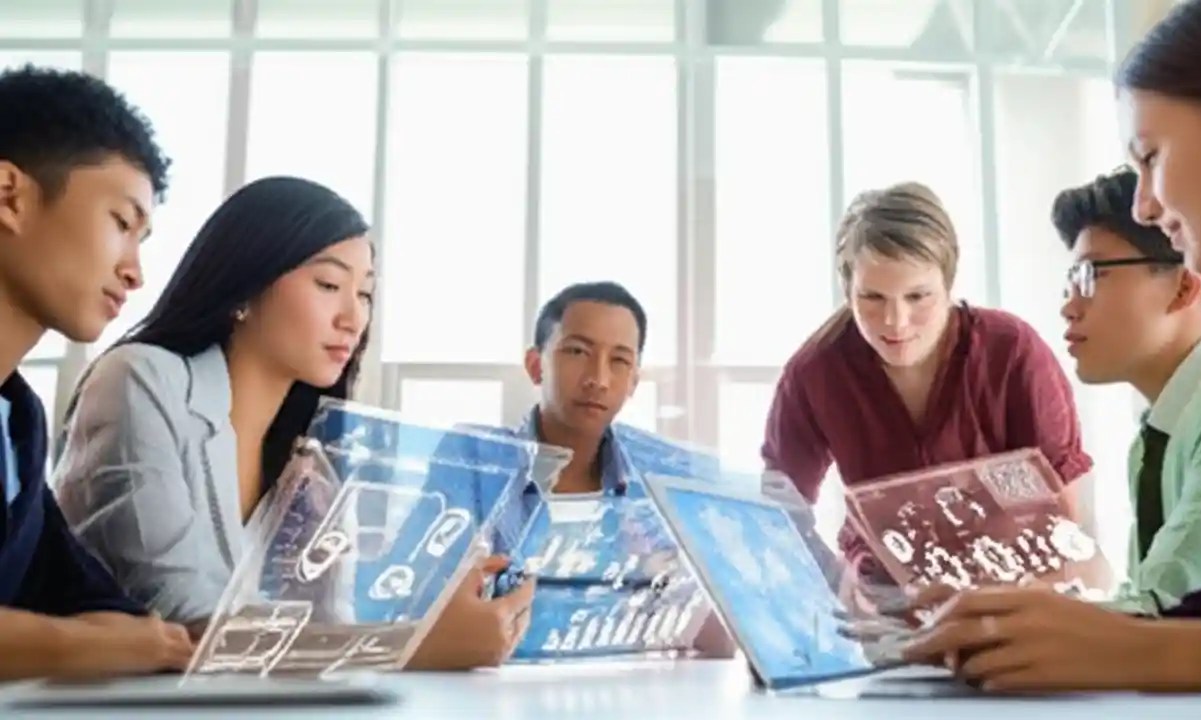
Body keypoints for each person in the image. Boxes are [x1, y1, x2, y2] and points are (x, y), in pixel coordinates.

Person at [902, 0, 1201, 695]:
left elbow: (1186, 616)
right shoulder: (1175, 425)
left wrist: (1156, 650)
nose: (1144, 204)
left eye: (1151, 156)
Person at [53, 176, 535, 671]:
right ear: (246, 284)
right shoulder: (142, 379)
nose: (353, 317)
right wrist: (411, 645)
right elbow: (182, 617)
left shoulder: (310, 460)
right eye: (328, 285)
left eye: (365, 294)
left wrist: (430, 608)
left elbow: (326, 626)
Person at [762, 181, 1093, 580]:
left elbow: (1065, 517)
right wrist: (835, 588)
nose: (896, 322)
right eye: (872, 297)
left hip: (1011, 593)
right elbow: (778, 513)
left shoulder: (1011, 353)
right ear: (847, 288)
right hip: (879, 597)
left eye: (918, 297)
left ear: (948, 285)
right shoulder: (815, 372)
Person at [0, 64, 193, 680]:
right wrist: (67, 647)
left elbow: (115, 617)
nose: (135, 271)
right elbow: (88, 634)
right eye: (121, 222)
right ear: (9, 195)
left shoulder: (18, 422)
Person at [1054, 167, 1201, 613]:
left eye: (1089, 275)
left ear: (1185, 286)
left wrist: (1002, 621)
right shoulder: (1154, 440)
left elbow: (1168, 606)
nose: (1068, 306)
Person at [477, 281, 736, 658]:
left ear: (634, 381)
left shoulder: (669, 478)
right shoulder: (475, 464)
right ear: (536, 366)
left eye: (619, 360)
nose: (598, 378)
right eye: (578, 351)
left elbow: (720, 639)